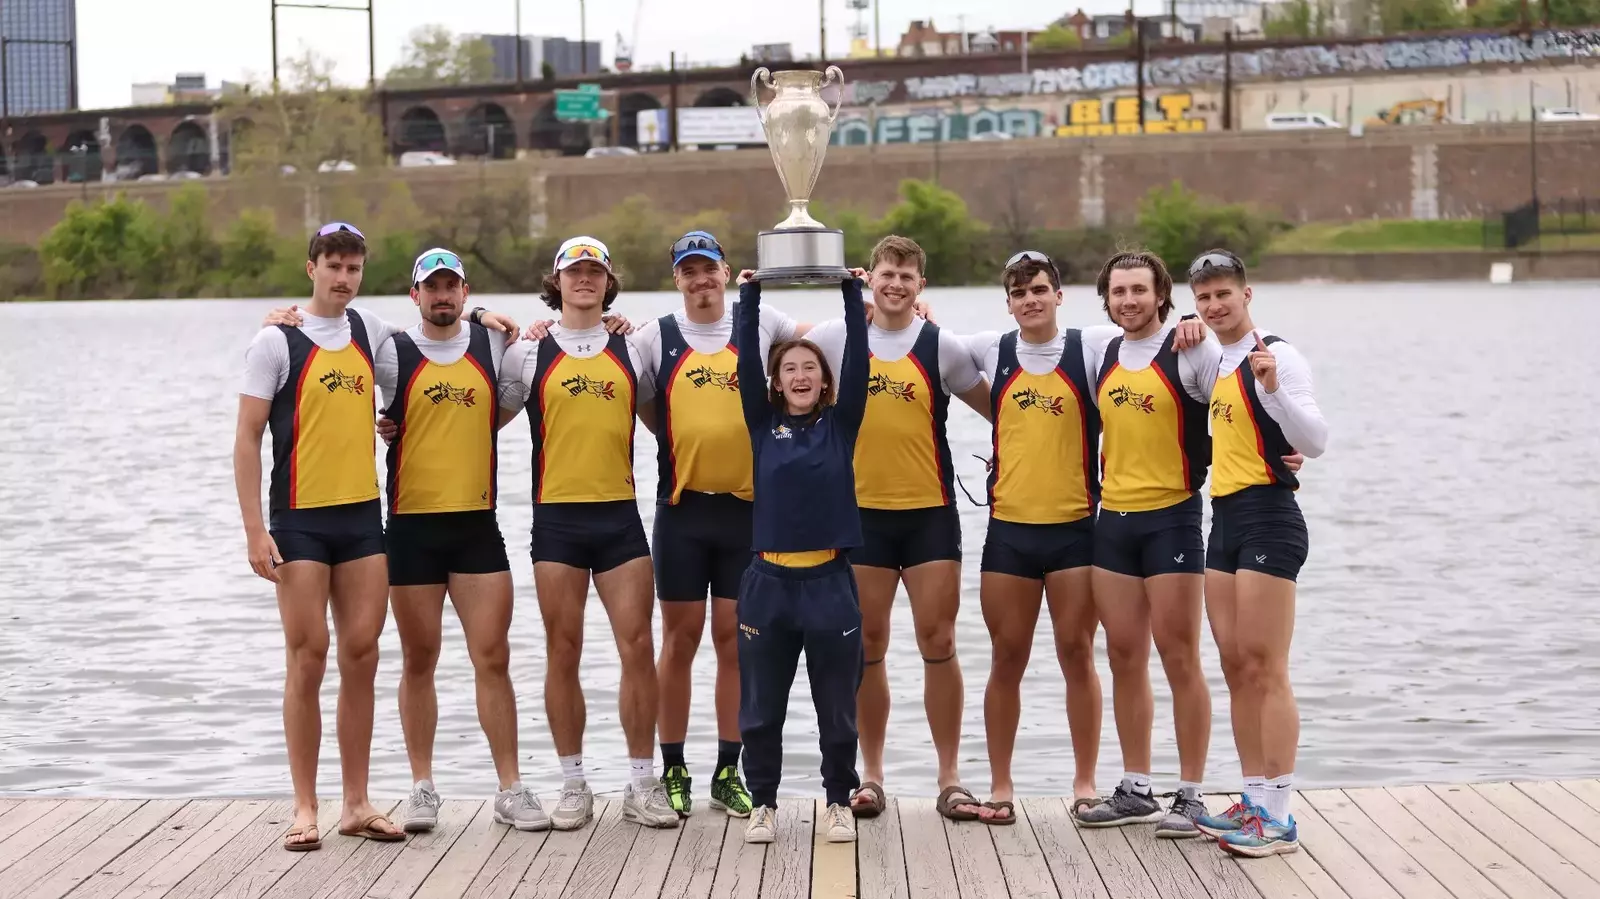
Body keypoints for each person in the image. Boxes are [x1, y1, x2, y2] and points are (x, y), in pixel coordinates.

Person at [232, 223, 411, 851]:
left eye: (354, 268)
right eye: (333, 266)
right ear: (311, 268)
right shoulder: (275, 341)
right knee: (307, 657)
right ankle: (305, 807)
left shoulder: (372, 332)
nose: (344, 279)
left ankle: (356, 803)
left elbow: (437, 351)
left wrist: (498, 320)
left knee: (362, 655)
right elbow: (248, 437)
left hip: (362, 519)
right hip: (299, 521)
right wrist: (255, 530)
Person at [800, 235, 990, 822]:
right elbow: (778, 360)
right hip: (860, 520)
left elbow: (1005, 411)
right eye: (886, 274)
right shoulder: (836, 338)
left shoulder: (942, 346)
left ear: (921, 286)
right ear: (869, 278)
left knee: (939, 641)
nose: (896, 285)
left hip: (930, 514)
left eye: (907, 276)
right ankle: (872, 775)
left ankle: (950, 776)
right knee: (869, 647)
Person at [496, 236, 678, 831]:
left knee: (638, 649)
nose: (584, 280)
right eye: (574, 271)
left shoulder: (633, 346)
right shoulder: (527, 353)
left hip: (619, 518)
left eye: (594, 271)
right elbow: (476, 416)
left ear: (608, 281)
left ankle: (641, 783)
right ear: (557, 281)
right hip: (556, 521)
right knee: (562, 649)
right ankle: (573, 784)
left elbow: (669, 426)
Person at [626, 230, 806, 819]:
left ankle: (729, 769)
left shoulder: (761, 320)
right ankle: (673, 764)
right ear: (676, 279)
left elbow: (817, 345)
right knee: (678, 642)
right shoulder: (656, 336)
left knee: (736, 643)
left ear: (726, 273)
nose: (700, 280)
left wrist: (900, 310)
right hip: (683, 512)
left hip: (746, 512)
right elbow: (637, 398)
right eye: (688, 271)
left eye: (709, 269)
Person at [374, 249, 546, 833]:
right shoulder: (392, 354)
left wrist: (496, 315)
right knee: (419, 658)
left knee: (492, 657)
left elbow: (530, 353)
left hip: (476, 526)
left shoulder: (493, 345)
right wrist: (281, 322)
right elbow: (329, 363)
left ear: (465, 292)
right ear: (415, 295)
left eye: (452, 286)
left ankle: (511, 788)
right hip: (412, 528)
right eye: (432, 287)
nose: (442, 295)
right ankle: (422, 788)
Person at [1073, 248, 1223, 839]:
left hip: (1173, 519)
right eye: (1118, 292)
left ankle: (1190, 794)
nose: (1129, 301)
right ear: (1106, 300)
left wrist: (1283, 453)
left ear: (1162, 294)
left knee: (1179, 655)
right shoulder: (1101, 350)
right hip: (1115, 521)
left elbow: (1241, 404)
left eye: (1140, 290)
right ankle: (1136, 787)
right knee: (1123, 656)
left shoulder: (1191, 349)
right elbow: (1029, 337)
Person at [1183, 250, 1326, 858]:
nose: (1215, 307)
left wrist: (1274, 392)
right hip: (1226, 521)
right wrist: (1182, 329)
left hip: (1271, 518)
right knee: (1237, 667)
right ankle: (1252, 797)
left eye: (1224, 295)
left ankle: (1281, 817)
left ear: (1248, 294)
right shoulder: (1217, 359)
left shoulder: (1278, 355)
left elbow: (1314, 442)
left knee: (1268, 667)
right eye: (1204, 299)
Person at [733, 266, 869, 846]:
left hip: (830, 583)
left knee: (836, 708)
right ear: (776, 381)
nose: (800, 375)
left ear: (826, 379)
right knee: (762, 707)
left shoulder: (842, 425)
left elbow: (860, 356)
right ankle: (763, 802)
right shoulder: (762, 425)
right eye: (789, 368)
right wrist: (749, 293)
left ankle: (838, 798)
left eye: (810, 367)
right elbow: (744, 360)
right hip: (768, 585)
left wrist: (851, 292)